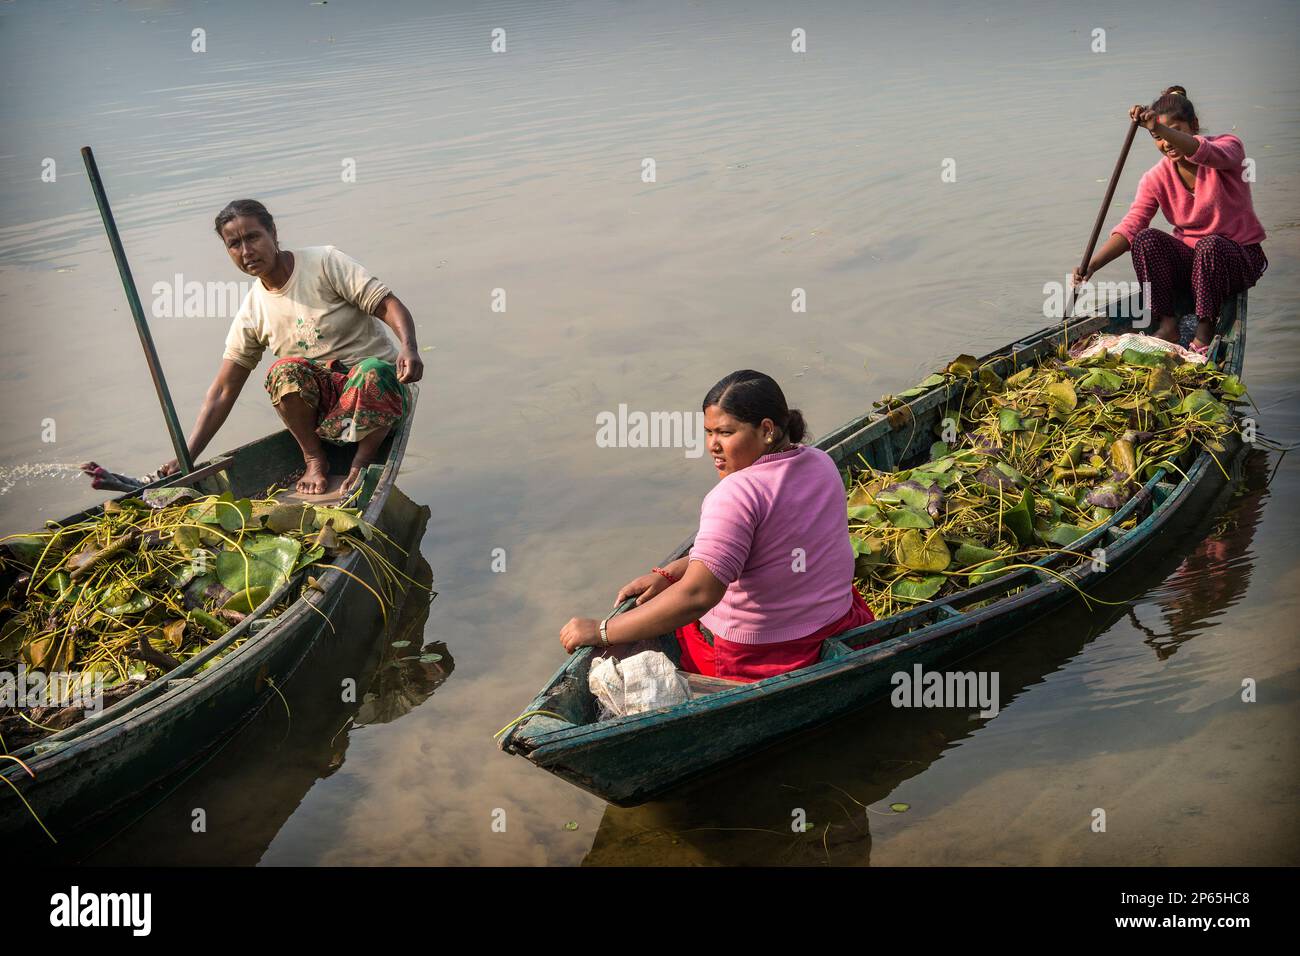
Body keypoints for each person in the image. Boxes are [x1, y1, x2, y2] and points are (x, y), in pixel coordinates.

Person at [559, 370, 874, 682]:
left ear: (766, 429)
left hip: (759, 658)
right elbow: (769, 548)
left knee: (678, 620)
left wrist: (603, 631)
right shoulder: (820, 462)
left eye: (725, 433)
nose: (712, 445)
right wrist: (674, 571)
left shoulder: (735, 493)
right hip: (836, 623)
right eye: (709, 432)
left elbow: (697, 596)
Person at [158, 200, 423, 495]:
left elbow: (388, 305)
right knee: (283, 372)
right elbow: (223, 390)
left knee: (373, 370)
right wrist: (187, 457)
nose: (246, 251)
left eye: (253, 237)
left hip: (381, 394)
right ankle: (314, 458)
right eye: (234, 244)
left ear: (273, 232)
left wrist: (408, 348)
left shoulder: (324, 262)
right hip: (326, 415)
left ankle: (361, 463)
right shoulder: (254, 310)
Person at [1070, 86, 1267, 354]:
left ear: (1194, 125)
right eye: (1157, 137)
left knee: (1210, 246)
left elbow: (1203, 151)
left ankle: (1204, 331)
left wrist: (1160, 128)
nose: (1166, 143)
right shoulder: (1155, 177)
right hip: (1193, 264)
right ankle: (1167, 324)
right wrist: (1092, 265)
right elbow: (1131, 227)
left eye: (1175, 131)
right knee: (1145, 239)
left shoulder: (1228, 148)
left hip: (1237, 258)